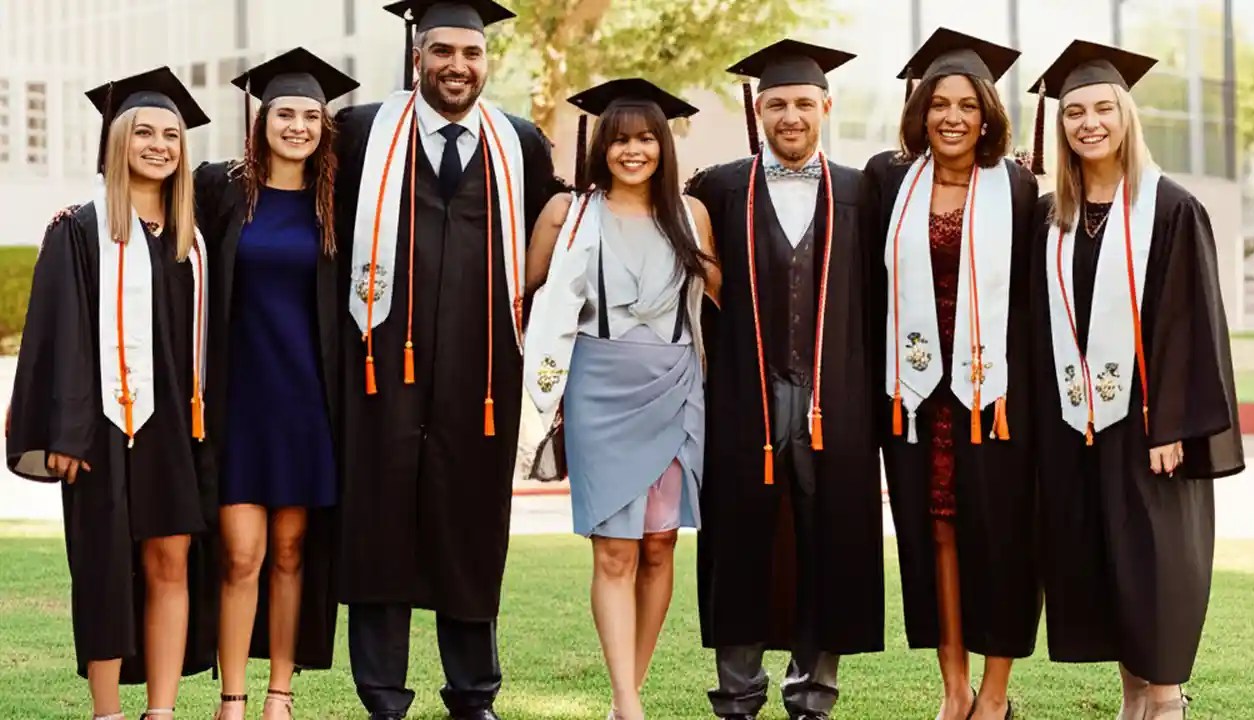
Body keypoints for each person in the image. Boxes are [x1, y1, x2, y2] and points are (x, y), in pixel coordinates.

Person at [332, 1, 563, 718]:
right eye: (443, 52)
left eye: (471, 52)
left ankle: (473, 694)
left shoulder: (518, 141)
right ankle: (382, 695)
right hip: (377, 362)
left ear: (486, 60)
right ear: (417, 57)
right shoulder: (361, 132)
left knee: (470, 519)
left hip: (481, 371)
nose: (458, 66)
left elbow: (562, 231)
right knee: (377, 517)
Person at [1027, 41, 1244, 720]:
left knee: (1155, 565)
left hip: (1150, 427)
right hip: (1077, 423)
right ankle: (1131, 702)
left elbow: (1192, 320)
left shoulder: (1171, 207)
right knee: (1102, 563)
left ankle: (1166, 699)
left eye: (1101, 108)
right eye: (1073, 112)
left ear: (1125, 115)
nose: (1087, 123)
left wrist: (1171, 424)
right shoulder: (1052, 217)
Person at [5, 67, 217, 720]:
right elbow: (56, 333)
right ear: (118, 141)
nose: (159, 144)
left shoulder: (193, 242)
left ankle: (161, 711)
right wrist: (66, 435)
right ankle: (107, 713)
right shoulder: (80, 229)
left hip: (174, 433)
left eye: (172, 135)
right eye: (145, 132)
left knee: (170, 565)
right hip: (100, 430)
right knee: (100, 570)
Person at [685, 40, 883, 720]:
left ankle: (814, 697)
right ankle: (737, 696)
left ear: (826, 106)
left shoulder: (864, 190)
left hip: (839, 399)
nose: (790, 115)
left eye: (803, 102)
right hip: (744, 397)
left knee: (828, 539)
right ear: (757, 108)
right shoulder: (718, 186)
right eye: (777, 103)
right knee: (741, 539)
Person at [523, 78, 718, 720]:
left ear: (663, 145)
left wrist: (707, 265)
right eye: (620, 139)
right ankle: (629, 703)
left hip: (673, 381)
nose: (632, 151)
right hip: (598, 384)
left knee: (660, 544)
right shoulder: (568, 213)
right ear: (601, 146)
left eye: (645, 139)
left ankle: (628, 691)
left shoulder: (691, 215)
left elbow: (721, 297)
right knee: (615, 548)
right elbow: (523, 298)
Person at [861, 28, 1040, 720]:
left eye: (967, 104)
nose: (953, 117)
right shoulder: (888, 181)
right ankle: (953, 689)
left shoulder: (1018, 187)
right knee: (934, 533)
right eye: (939, 103)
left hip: (996, 395)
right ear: (920, 111)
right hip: (917, 393)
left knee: (1000, 535)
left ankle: (995, 694)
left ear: (988, 113)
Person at [194, 48, 359, 720]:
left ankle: (279, 694)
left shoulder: (339, 202)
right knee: (241, 554)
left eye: (310, 116)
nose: (297, 125)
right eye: (284, 113)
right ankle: (232, 697)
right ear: (262, 122)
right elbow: (155, 218)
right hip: (240, 402)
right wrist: (77, 221)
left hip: (307, 403)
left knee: (291, 553)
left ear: (324, 125)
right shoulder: (220, 189)